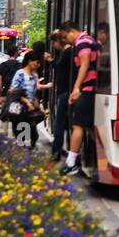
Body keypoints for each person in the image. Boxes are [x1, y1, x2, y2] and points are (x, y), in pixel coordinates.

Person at [61, 21, 98, 176]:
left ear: (71, 31)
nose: (65, 41)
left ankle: (71, 162)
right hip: (90, 88)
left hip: (88, 88)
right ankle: (107, 153)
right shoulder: (89, 40)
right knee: (88, 125)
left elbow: (84, 64)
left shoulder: (83, 42)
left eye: (65, 37)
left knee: (78, 125)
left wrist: (77, 87)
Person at [4, 51, 48, 147]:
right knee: (22, 136)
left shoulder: (35, 75)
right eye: (37, 62)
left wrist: (39, 107)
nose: (38, 65)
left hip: (30, 110)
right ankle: (22, 156)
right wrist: (27, 102)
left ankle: (27, 155)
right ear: (30, 61)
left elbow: (34, 93)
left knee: (33, 136)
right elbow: (13, 91)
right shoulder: (20, 74)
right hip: (20, 109)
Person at [50, 31, 74, 162]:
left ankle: (56, 153)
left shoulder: (68, 52)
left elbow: (62, 70)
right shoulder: (65, 52)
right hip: (63, 92)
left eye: (54, 42)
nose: (53, 45)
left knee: (59, 124)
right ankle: (67, 149)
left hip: (64, 93)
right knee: (64, 124)